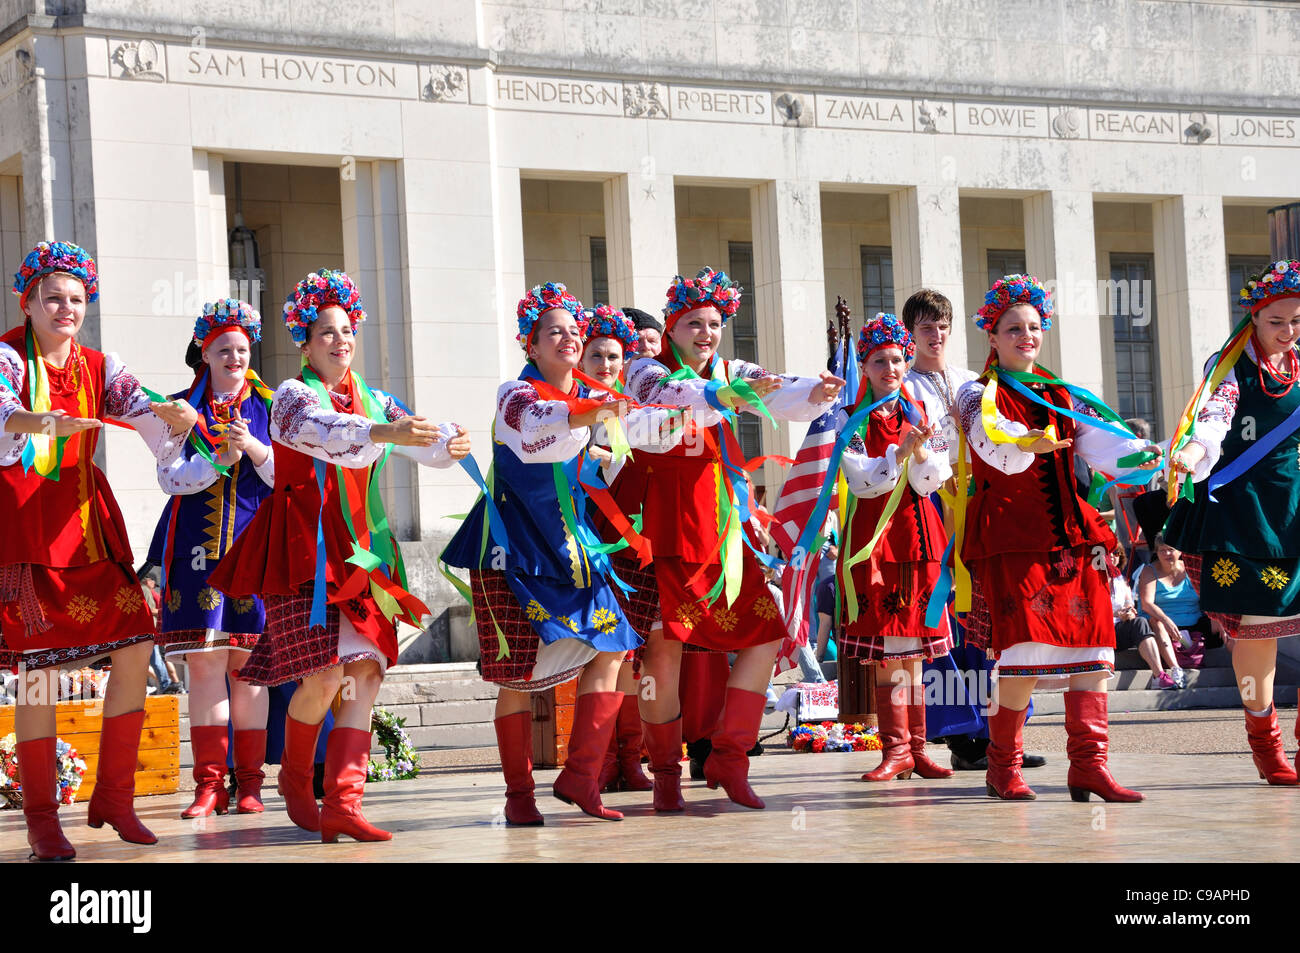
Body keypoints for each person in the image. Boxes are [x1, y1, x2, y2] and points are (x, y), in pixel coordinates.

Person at [209, 268, 470, 841]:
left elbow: (416, 436)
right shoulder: (292, 398)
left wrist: (447, 441)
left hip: (363, 554)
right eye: (326, 331)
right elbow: (327, 432)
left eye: (347, 329)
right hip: (305, 550)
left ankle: (345, 802)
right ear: (304, 342)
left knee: (367, 672)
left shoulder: (374, 397)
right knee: (324, 676)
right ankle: (298, 781)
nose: (340, 340)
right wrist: (387, 432)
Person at [443, 283, 682, 825]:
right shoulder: (516, 394)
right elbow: (539, 426)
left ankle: (580, 775)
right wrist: (592, 415)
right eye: (554, 331)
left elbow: (647, 430)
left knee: (615, 646)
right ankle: (519, 796)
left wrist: (714, 400)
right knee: (516, 675)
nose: (569, 339)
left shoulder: (595, 396)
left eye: (575, 330)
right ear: (531, 345)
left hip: (576, 549)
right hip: (514, 549)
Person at [1, 240, 199, 860]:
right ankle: (41, 820)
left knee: (139, 640)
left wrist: (169, 412)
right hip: (28, 533)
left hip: (87, 527)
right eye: (53, 297)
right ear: (28, 302)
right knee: (38, 674)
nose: (66, 308)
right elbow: (4, 411)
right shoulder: (7, 357)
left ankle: (114, 796)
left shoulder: (98, 365)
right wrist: (32, 421)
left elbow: (139, 404)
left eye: (77, 299)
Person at [623, 267, 844, 811]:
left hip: (721, 531)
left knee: (765, 634)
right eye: (693, 323)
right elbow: (675, 396)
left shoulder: (732, 368)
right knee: (664, 652)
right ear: (671, 329)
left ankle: (731, 754)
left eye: (715, 323)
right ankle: (668, 778)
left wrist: (814, 391)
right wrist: (726, 392)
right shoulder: (643, 371)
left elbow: (776, 388)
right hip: (662, 529)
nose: (705, 333)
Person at [955, 274, 1161, 802]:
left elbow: (1104, 447)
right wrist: (1026, 441)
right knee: (1022, 654)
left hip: (1074, 542)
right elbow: (992, 444)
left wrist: (1148, 455)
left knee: (1093, 653)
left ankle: (1089, 767)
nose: (1027, 335)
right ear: (993, 337)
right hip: (1015, 540)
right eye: (1014, 328)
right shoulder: (976, 393)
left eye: (1034, 326)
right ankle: (1003, 767)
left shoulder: (1063, 396)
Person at [1163, 260, 1300, 785]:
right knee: (1259, 631)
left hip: (1295, 503)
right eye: (1276, 322)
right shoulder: (1230, 366)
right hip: (1246, 512)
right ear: (1254, 317)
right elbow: (1214, 418)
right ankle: (1266, 745)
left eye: (1295, 322)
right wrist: (1194, 448)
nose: (1287, 333)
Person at [149, 299, 275, 818]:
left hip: (253, 549)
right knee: (204, 666)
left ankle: (249, 784)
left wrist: (255, 450)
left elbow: (286, 476)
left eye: (242, 350)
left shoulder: (270, 406)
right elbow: (167, 477)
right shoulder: (179, 407)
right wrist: (215, 459)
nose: (235, 358)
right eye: (224, 349)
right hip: (195, 557)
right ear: (205, 352)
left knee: (248, 669)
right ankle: (208, 784)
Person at [837, 313, 954, 781]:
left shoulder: (922, 415)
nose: (892, 368)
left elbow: (933, 482)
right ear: (864, 367)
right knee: (890, 648)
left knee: (916, 651)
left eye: (898, 359)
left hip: (922, 538)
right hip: (877, 545)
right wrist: (899, 453)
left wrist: (922, 453)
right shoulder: (851, 420)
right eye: (880, 360)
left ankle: (918, 749)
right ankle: (897, 749)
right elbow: (862, 483)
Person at [577, 304, 654, 794]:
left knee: (632, 653)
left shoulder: (634, 408)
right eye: (597, 356)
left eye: (614, 356)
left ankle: (631, 755)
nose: (606, 365)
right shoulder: (570, 403)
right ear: (580, 361)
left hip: (632, 542)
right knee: (598, 650)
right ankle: (599, 760)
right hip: (588, 541)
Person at [1111, 545, 1184, 689]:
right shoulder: (1090, 579)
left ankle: (1160, 676)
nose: (1112, 556)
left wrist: (1129, 612)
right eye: (1107, 553)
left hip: (1118, 629)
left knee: (1140, 622)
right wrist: (1113, 614)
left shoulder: (1121, 580)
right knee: (1149, 622)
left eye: (1116, 553)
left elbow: (1129, 604)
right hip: (1099, 631)